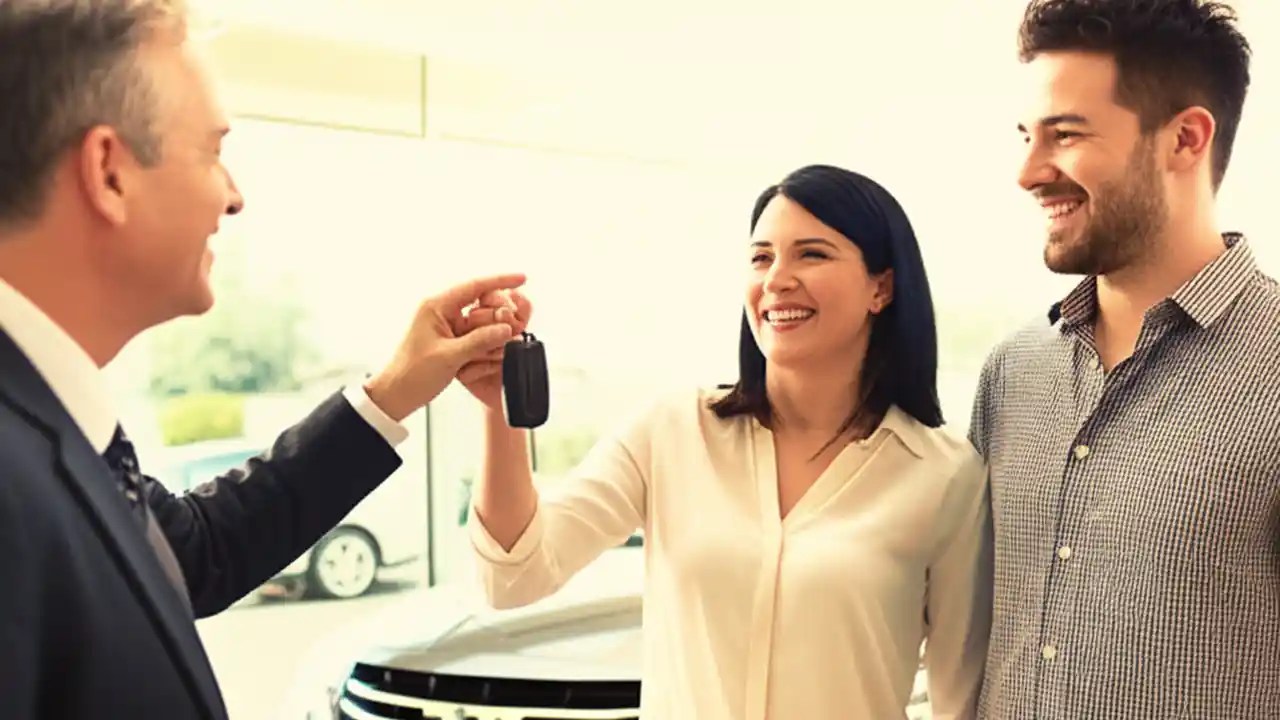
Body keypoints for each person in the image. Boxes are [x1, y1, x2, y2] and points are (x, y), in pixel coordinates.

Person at [0, 1, 524, 717]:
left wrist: (394, 389)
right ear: (109, 172)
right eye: (213, 151)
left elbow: (197, 550)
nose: (235, 196)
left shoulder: (51, 431)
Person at [458, 164, 992, 719]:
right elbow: (512, 577)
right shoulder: (671, 431)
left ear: (881, 287)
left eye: (812, 253)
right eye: (762, 258)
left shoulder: (945, 474)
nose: (777, 279)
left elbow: (960, 698)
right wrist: (500, 412)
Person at [969, 1, 1280, 717]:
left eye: (1066, 135)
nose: (1027, 171)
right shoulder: (1010, 376)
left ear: (1185, 139)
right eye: (1026, 136)